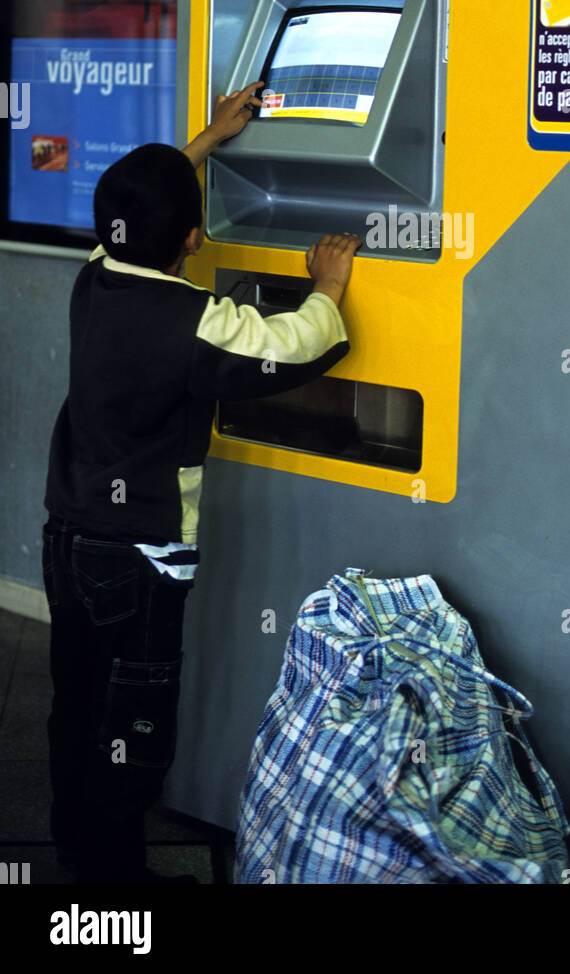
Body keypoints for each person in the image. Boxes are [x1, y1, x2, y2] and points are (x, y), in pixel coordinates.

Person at [41, 82, 360, 884]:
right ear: (191, 240)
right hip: (141, 559)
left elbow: (140, 209)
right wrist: (326, 285)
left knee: (78, 707)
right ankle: (115, 897)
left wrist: (208, 139)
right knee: (135, 727)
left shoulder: (95, 277)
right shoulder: (195, 320)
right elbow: (288, 346)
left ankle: (80, 858)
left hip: (69, 539)